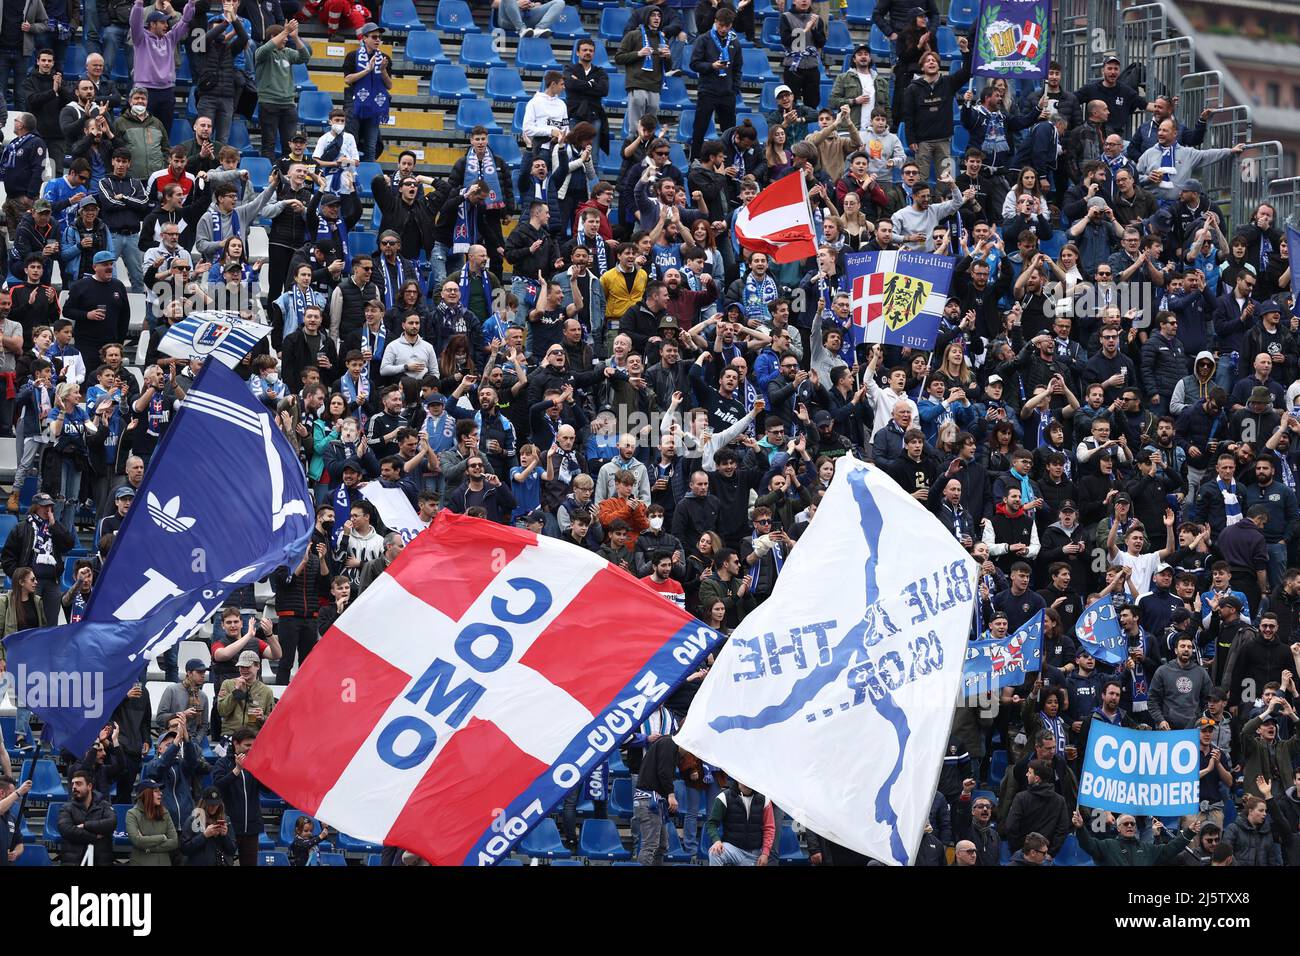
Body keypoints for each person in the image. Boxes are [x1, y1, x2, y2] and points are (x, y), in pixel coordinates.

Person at [688, 8, 743, 160]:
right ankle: (695, 161)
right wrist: (711, 66)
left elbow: (738, 68)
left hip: (727, 93)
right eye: (721, 25)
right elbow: (694, 64)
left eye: (727, 25)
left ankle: (729, 162)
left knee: (730, 132)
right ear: (715, 22)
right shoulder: (704, 39)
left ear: (731, 25)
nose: (724, 29)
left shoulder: (734, 42)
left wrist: (734, 88)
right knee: (699, 129)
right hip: (708, 91)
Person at [211, 727, 264, 867]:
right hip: (229, 827)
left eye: (253, 745)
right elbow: (217, 787)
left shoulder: (255, 764)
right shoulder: (223, 763)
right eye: (247, 745)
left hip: (252, 828)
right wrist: (237, 770)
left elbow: (267, 791)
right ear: (236, 744)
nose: (250, 749)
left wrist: (265, 772)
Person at [57, 768, 116, 865]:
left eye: (78, 784)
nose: (74, 787)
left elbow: (111, 823)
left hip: (101, 860)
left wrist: (85, 825)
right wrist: (94, 836)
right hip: (73, 860)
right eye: (73, 784)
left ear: (89, 786)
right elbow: (66, 830)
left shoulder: (104, 805)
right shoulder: (66, 808)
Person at [126, 778, 179, 866]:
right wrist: (162, 837)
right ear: (146, 794)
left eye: (160, 791)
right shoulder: (132, 814)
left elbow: (174, 842)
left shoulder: (164, 812)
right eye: (156, 791)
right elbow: (137, 841)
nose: (160, 793)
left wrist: (148, 848)